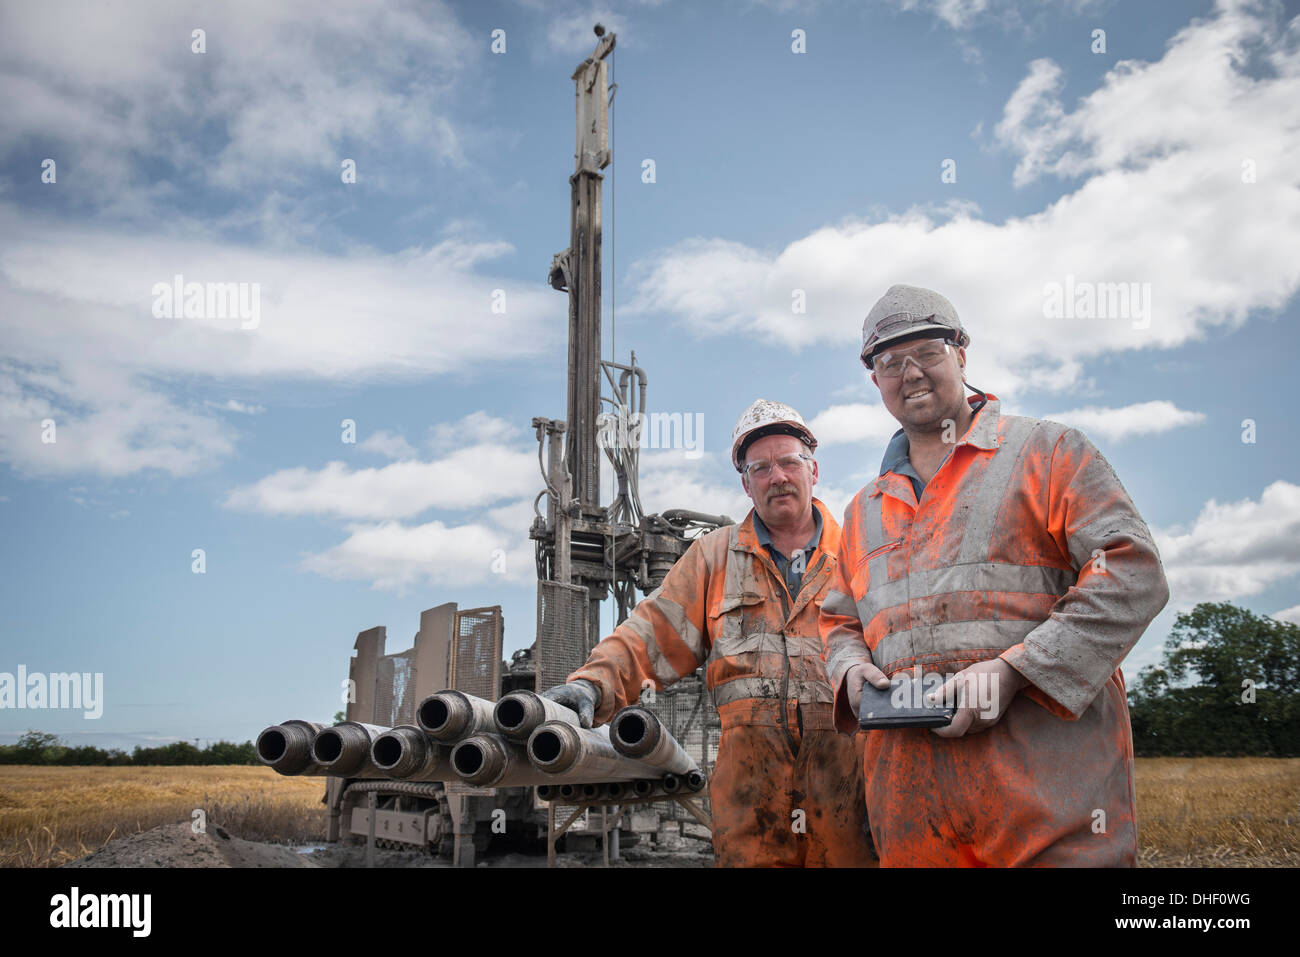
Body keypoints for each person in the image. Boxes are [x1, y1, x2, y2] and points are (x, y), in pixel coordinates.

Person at [820, 284, 1170, 866]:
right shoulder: (864, 510)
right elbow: (838, 619)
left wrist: (1015, 672)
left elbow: (1133, 571)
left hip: (1048, 812)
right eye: (889, 362)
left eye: (928, 353)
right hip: (913, 825)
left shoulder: (1048, 452)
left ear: (961, 353)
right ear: (873, 379)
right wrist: (852, 669)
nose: (910, 373)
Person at [543, 399, 877, 867]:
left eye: (788, 461)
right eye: (761, 468)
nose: (777, 476)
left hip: (846, 786)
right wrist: (592, 684)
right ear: (746, 483)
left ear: (813, 469)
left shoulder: (860, 552)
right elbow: (652, 632)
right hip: (750, 797)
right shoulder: (714, 558)